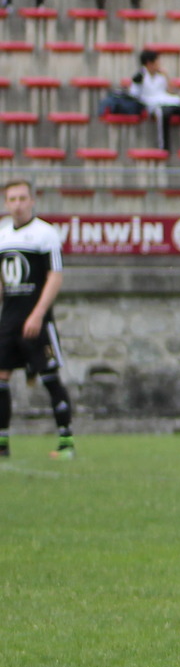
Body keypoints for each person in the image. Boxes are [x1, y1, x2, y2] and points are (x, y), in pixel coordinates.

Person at [0, 179, 75, 461]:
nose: (17, 204)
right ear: (6, 204)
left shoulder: (45, 234)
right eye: (12, 199)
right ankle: (2, 444)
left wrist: (38, 314)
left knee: (49, 377)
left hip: (37, 319)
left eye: (22, 198)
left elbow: (54, 276)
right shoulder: (2, 234)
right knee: (2, 377)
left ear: (32, 200)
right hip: (9, 319)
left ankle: (66, 442)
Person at [132, 48, 180, 151]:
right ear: (149, 63)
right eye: (157, 61)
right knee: (163, 115)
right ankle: (164, 148)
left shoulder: (161, 75)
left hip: (170, 101)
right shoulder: (139, 77)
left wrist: (166, 76)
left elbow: (171, 91)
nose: (159, 64)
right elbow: (134, 95)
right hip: (154, 104)